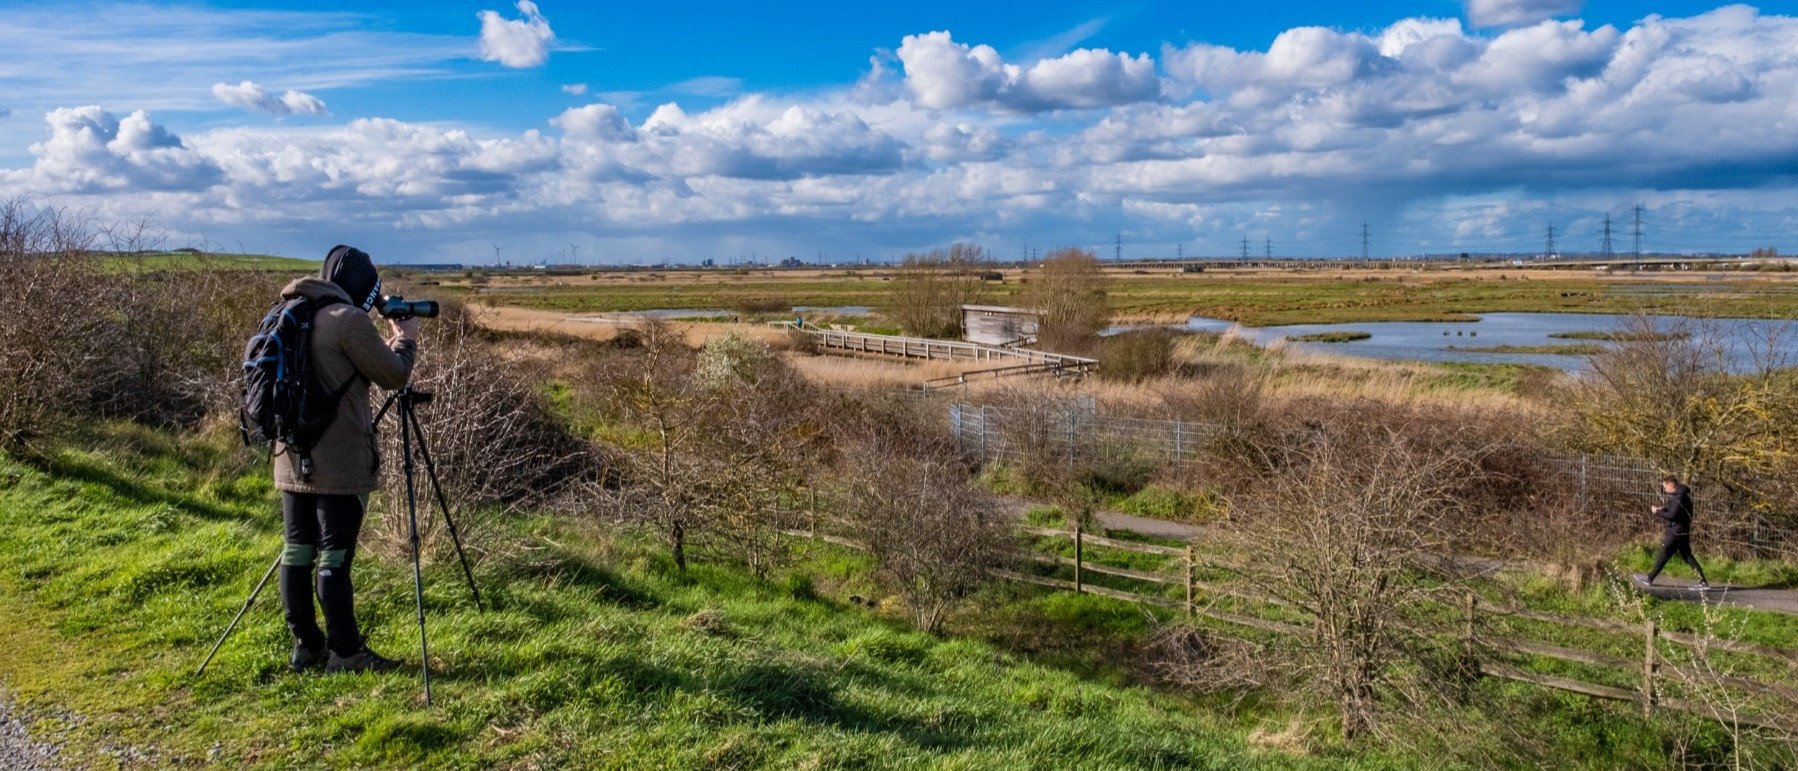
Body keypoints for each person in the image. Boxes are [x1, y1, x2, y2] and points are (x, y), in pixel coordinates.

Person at [275, 245, 419, 673]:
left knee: (296, 552)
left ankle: (307, 646)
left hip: (290, 455)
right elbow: (394, 374)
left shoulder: (293, 310)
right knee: (334, 558)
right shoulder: (348, 320)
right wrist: (405, 337)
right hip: (338, 460)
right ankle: (346, 651)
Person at [1642, 474, 1709, 590]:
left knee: (1664, 552)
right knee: (1687, 556)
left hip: (1677, 532)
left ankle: (1649, 578)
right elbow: (1675, 511)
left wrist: (1656, 512)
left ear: (1670, 485)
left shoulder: (1679, 497)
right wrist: (1663, 509)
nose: (1664, 489)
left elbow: (1672, 515)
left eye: (1665, 486)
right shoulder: (1679, 496)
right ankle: (1703, 583)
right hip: (1681, 531)